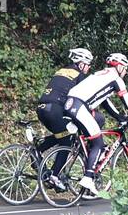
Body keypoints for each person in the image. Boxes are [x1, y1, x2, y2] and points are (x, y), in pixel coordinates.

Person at [64, 52, 128, 197]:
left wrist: (120, 117)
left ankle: (88, 162)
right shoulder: (115, 78)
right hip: (80, 107)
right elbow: (127, 101)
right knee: (98, 144)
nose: (125, 72)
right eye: (125, 68)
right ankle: (88, 178)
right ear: (119, 66)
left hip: (70, 103)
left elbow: (105, 102)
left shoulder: (100, 74)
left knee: (98, 124)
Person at [35, 47, 93, 188]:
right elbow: (82, 99)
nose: (89, 67)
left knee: (62, 134)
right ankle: (54, 176)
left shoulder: (61, 71)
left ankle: (38, 150)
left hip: (42, 108)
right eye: (88, 64)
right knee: (66, 141)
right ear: (81, 64)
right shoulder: (79, 76)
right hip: (54, 109)